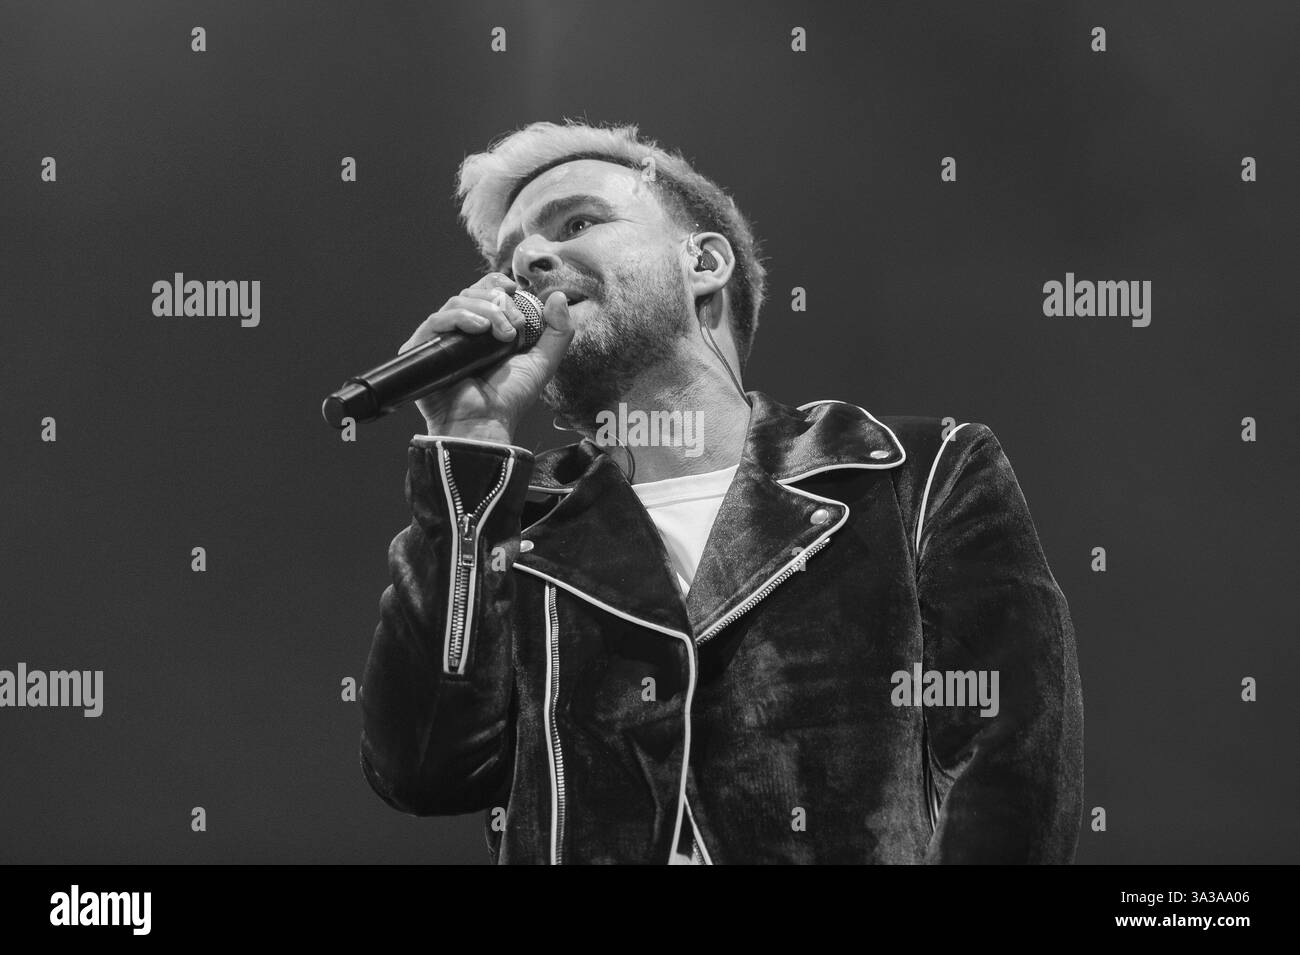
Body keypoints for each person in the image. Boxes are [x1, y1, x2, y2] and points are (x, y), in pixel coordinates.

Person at [358, 119, 1084, 864]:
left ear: (703, 260)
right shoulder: (513, 522)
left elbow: (1008, 780)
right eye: (510, 264)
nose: (531, 262)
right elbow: (424, 768)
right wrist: (466, 448)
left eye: (577, 222)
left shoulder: (911, 475)